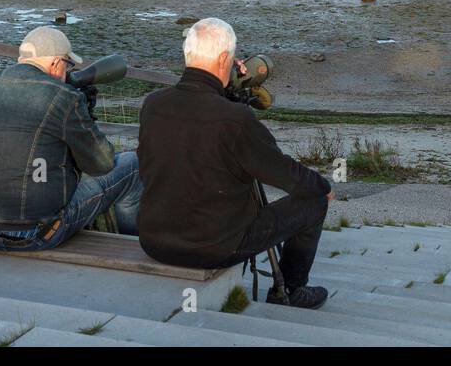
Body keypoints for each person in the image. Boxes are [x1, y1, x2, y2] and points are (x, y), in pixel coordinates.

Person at [138, 18, 332, 309]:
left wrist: (224, 92)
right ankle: (290, 290)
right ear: (225, 59)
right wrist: (323, 185)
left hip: (154, 241)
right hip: (214, 246)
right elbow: (283, 173)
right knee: (314, 201)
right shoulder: (234, 119)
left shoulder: (153, 105)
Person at [0, 26, 143, 252]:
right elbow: (102, 163)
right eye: (68, 65)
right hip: (36, 233)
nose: (67, 73)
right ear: (55, 63)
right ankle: (133, 248)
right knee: (131, 165)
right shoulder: (63, 96)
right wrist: (83, 115)